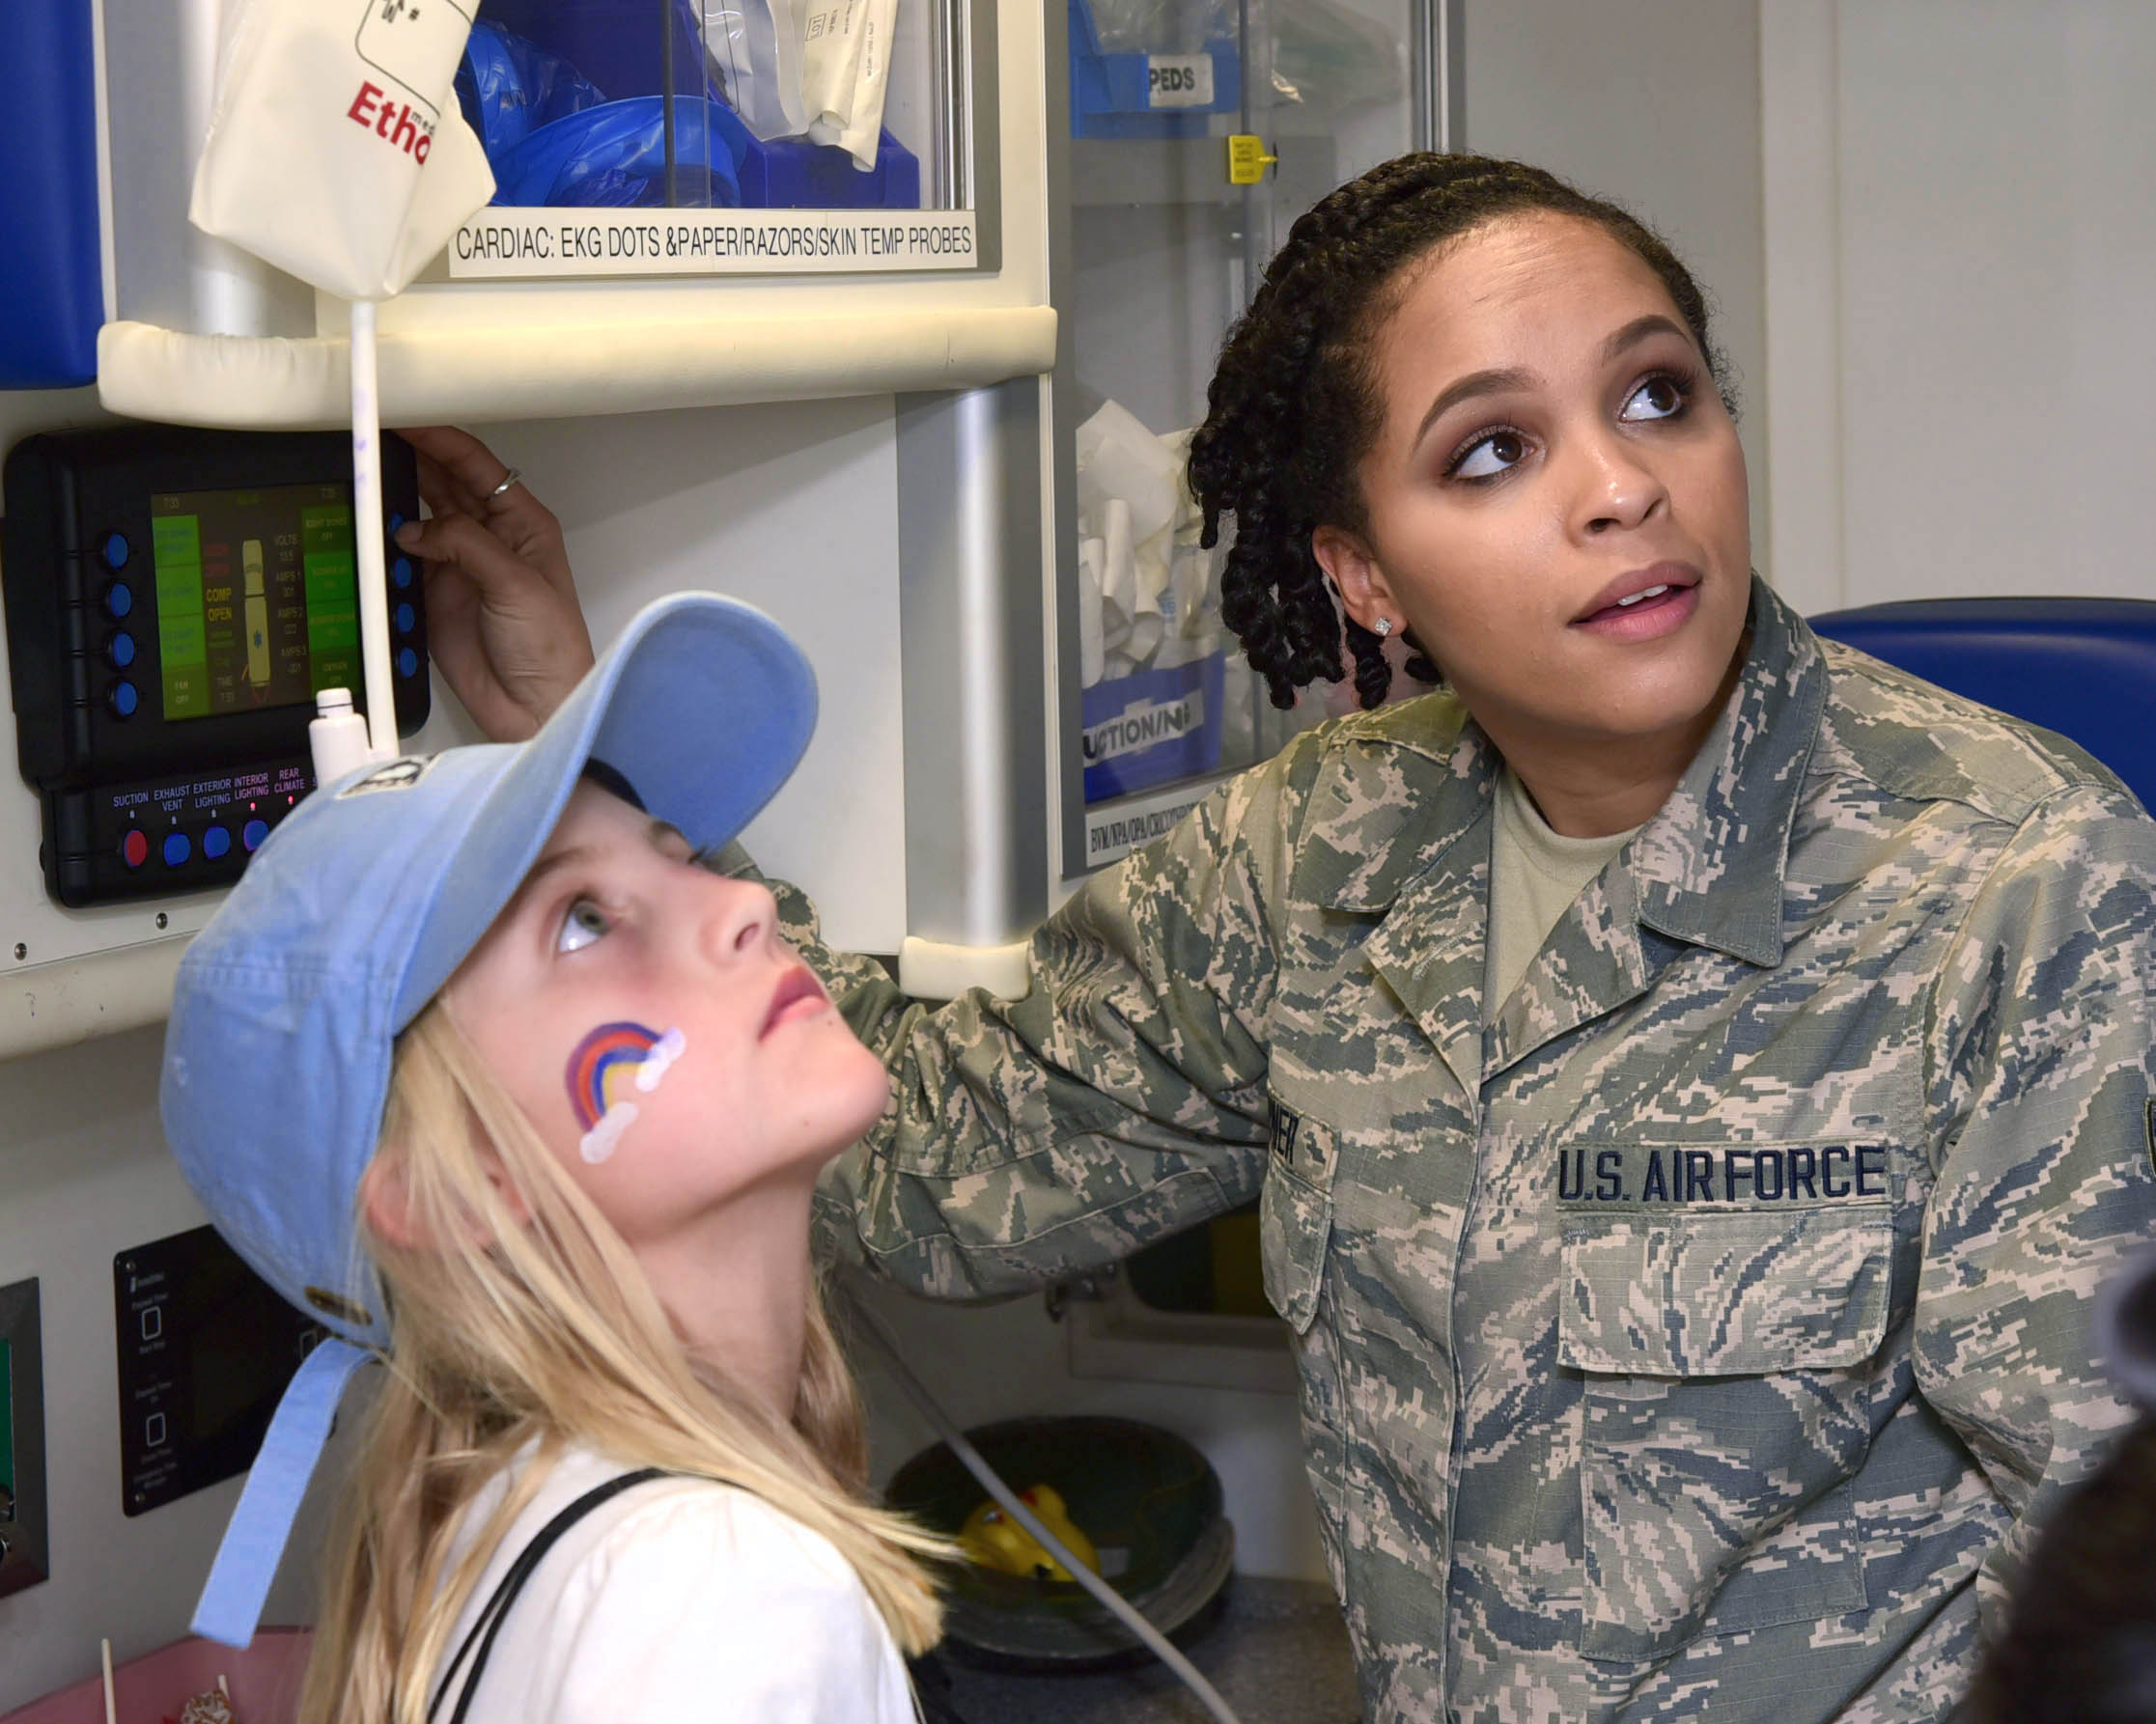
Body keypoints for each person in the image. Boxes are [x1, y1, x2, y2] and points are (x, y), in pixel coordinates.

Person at [398, 153, 2156, 1723]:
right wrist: (593, 761)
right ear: (1366, 574)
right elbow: (921, 1164)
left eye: (1658, 395)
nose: (1620, 488)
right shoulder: (1306, 860)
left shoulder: (2016, 886)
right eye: (1492, 450)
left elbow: (2110, 1584)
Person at [158, 595, 946, 1723]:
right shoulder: (720, 1598)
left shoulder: (540, 1540)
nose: (746, 902)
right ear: (468, 1179)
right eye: (582, 918)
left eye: (681, 858)